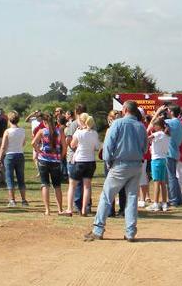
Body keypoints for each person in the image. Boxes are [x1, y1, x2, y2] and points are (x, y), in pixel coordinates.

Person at [85, 101, 147, 242]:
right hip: (136, 165)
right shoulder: (141, 126)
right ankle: (130, 232)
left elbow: (108, 145)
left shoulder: (118, 124)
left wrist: (108, 162)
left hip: (120, 165)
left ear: (125, 110)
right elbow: (144, 148)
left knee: (107, 197)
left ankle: (98, 229)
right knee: (132, 198)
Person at [63, 113, 100, 217]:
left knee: (72, 185)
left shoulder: (78, 132)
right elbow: (97, 146)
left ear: (81, 121)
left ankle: (69, 209)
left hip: (79, 161)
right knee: (87, 186)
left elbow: (72, 144)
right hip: (91, 161)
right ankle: (84, 210)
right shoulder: (94, 133)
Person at [32, 113, 65, 215]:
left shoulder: (42, 131)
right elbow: (64, 147)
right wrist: (60, 157)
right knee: (57, 186)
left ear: (44, 122)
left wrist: (38, 151)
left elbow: (33, 143)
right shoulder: (59, 131)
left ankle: (47, 210)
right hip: (56, 161)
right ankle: (60, 209)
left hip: (43, 160)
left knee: (45, 185)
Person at [0, 110, 28, 207]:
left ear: (9, 120)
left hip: (9, 155)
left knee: (9, 178)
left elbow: (3, 146)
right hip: (20, 154)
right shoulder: (22, 130)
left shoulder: (7, 131)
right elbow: (23, 143)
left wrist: (0, 159)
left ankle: (12, 200)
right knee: (21, 178)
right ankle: (24, 200)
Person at [158, 104, 182, 207]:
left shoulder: (170, 122)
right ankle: (178, 198)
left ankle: (173, 199)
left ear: (172, 112)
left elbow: (155, 123)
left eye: (168, 110)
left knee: (170, 177)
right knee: (173, 176)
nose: (167, 112)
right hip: (175, 151)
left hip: (168, 152)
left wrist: (158, 112)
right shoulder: (181, 124)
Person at [65, 104, 87, 213]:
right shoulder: (90, 123)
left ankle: (78, 205)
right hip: (87, 157)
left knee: (75, 183)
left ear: (76, 112)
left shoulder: (74, 124)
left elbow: (68, 139)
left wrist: (75, 148)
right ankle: (86, 205)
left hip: (74, 157)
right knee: (86, 183)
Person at [146, 117, 170, 212]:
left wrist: (148, 130)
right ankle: (164, 203)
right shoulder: (166, 135)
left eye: (154, 125)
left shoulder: (158, 134)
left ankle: (155, 203)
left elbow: (147, 139)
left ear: (158, 126)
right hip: (163, 159)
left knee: (156, 182)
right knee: (162, 182)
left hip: (156, 160)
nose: (153, 127)